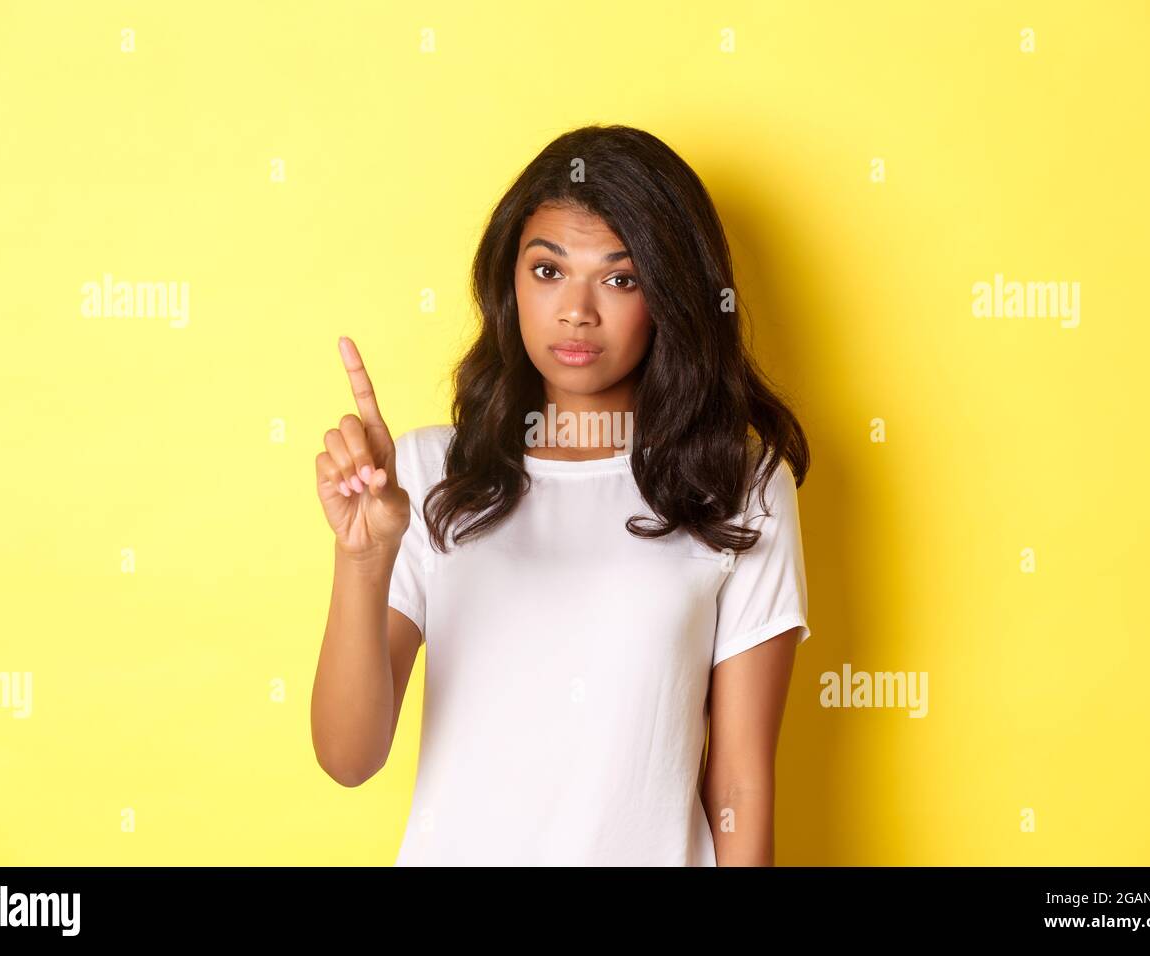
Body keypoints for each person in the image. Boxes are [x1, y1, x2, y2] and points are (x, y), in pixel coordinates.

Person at [310, 124, 812, 866]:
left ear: (670, 294)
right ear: (509, 282)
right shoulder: (426, 473)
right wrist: (363, 557)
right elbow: (348, 758)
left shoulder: (738, 485)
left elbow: (740, 784)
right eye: (548, 271)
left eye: (620, 277)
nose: (577, 310)